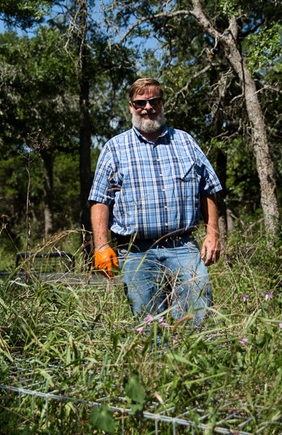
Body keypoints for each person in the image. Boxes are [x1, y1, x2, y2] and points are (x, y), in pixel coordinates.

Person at [88, 78, 222, 326]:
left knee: (198, 318)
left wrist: (212, 233)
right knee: (148, 325)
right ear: (131, 106)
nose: (147, 107)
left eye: (154, 101)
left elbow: (209, 188)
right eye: (141, 102)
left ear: (162, 104)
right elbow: (100, 200)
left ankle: (193, 365)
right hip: (137, 253)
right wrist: (101, 247)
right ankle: (154, 365)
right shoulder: (114, 148)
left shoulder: (185, 142)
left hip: (184, 248)